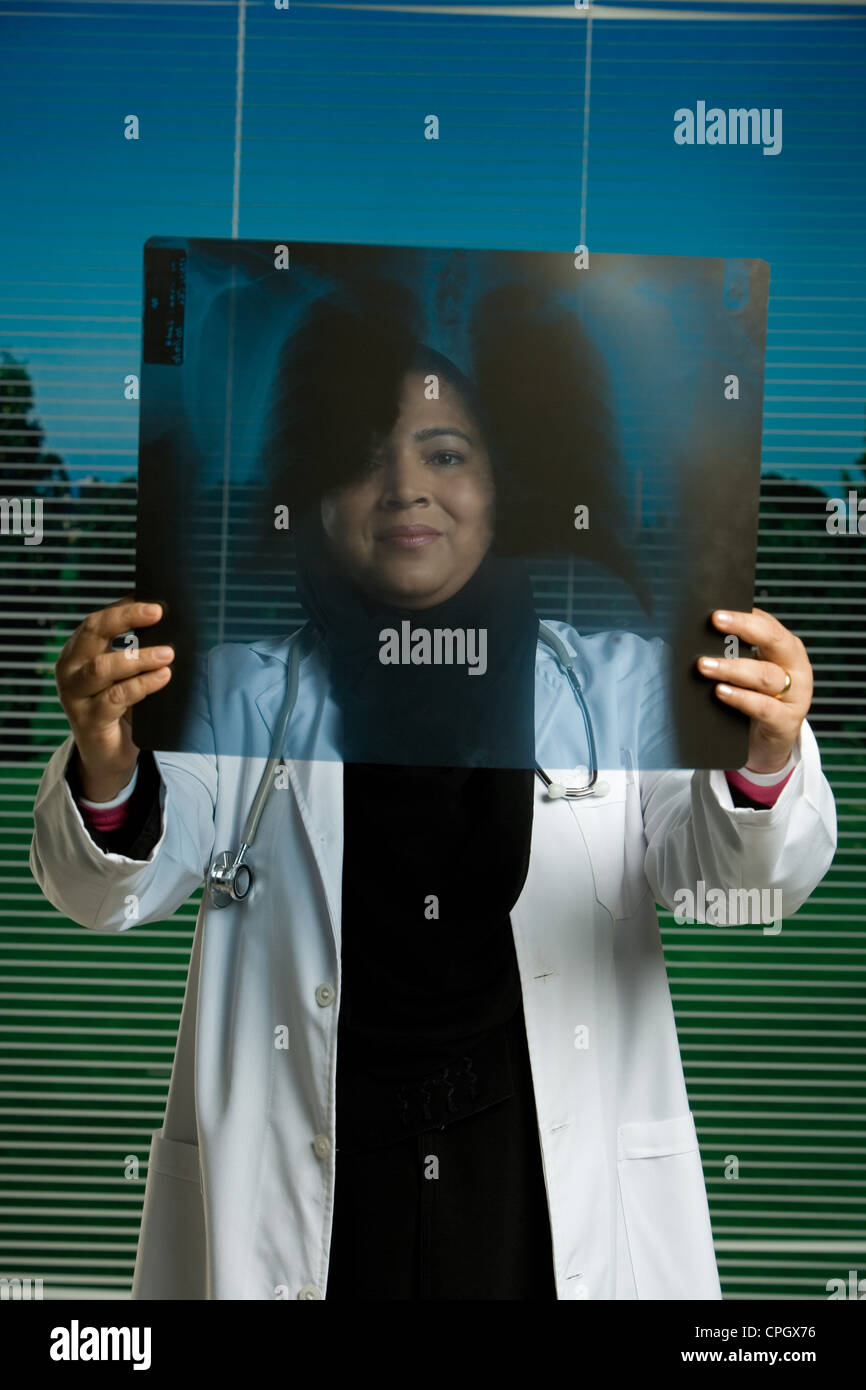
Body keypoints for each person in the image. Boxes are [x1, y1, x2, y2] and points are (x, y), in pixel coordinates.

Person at [30, 344, 837, 1301]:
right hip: (321, 1201)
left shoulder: (619, 689)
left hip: (535, 1195)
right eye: (361, 456)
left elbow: (746, 881)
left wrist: (767, 756)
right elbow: (103, 888)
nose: (405, 487)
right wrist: (111, 763)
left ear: (502, 490)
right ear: (315, 497)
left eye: (447, 454)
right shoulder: (236, 697)